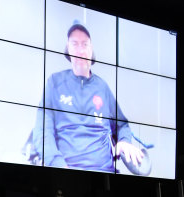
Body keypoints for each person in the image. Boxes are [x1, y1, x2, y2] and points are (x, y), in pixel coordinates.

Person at [31, 21, 144, 173]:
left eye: (85, 44)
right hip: (66, 172)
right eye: (75, 44)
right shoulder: (55, 82)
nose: (80, 50)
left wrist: (124, 141)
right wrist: (57, 164)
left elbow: (122, 125)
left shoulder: (102, 87)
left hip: (104, 173)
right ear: (68, 49)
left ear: (91, 50)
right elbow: (42, 130)